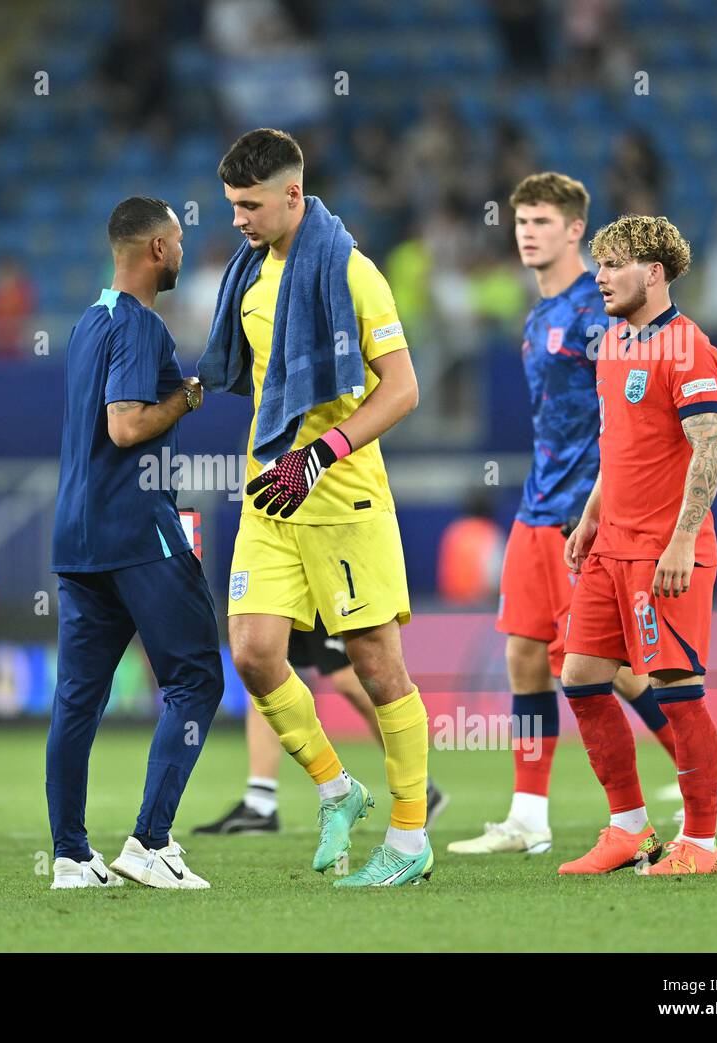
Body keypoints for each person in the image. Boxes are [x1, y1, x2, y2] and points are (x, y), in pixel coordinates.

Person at [450, 174, 717, 855]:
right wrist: (590, 513)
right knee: (539, 656)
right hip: (556, 510)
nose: (526, 233)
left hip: (624, 524)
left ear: (573, 229)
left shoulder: (611, 320)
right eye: (520, 221)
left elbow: (691, 435)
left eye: (541, 221)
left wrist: (663, 529)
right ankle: (545, 815)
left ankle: (703, 806)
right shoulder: (557, 322)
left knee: (641, 670)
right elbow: (613, 428)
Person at [199, 128, 431, 887]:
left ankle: (409, 837)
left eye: (250, 205)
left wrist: (320, 454)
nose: (238, 219)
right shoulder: (249, 273)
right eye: (233, 205)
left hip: (341, 497)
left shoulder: (352, 272)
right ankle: (338, 789)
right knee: (253, 652)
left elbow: (403, 389)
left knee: (377, 666)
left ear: (293, 194)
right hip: (272, 494)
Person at [47, 196, 223, 890]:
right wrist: (189, 395)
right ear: (156, 249)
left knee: (76, 700)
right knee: (197, 677)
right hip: (139, 531)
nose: (182, 251)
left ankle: (70, 857)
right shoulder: (142, 325)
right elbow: (124, 425)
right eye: (177, 241)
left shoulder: (88, 323)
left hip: (77, 536)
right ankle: (150, 842)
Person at [560, 215, 717, 876]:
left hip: (664, 552)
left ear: (654, 273)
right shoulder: (612, 343)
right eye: (599, 264)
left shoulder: (688, 347)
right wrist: (590, 516)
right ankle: (629, 827)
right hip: (611, 546)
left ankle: (701, 842)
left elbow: (709, 448)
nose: (600, 277)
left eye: (614, 264)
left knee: (676, 688)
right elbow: (618, 446)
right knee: (581, 678)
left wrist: (683, 539)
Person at [194, 615, 448, 835]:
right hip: (282, 580)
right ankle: (260, 804)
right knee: (263, 671)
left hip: (321, 582)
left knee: (348, 679)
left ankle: (419, 785)